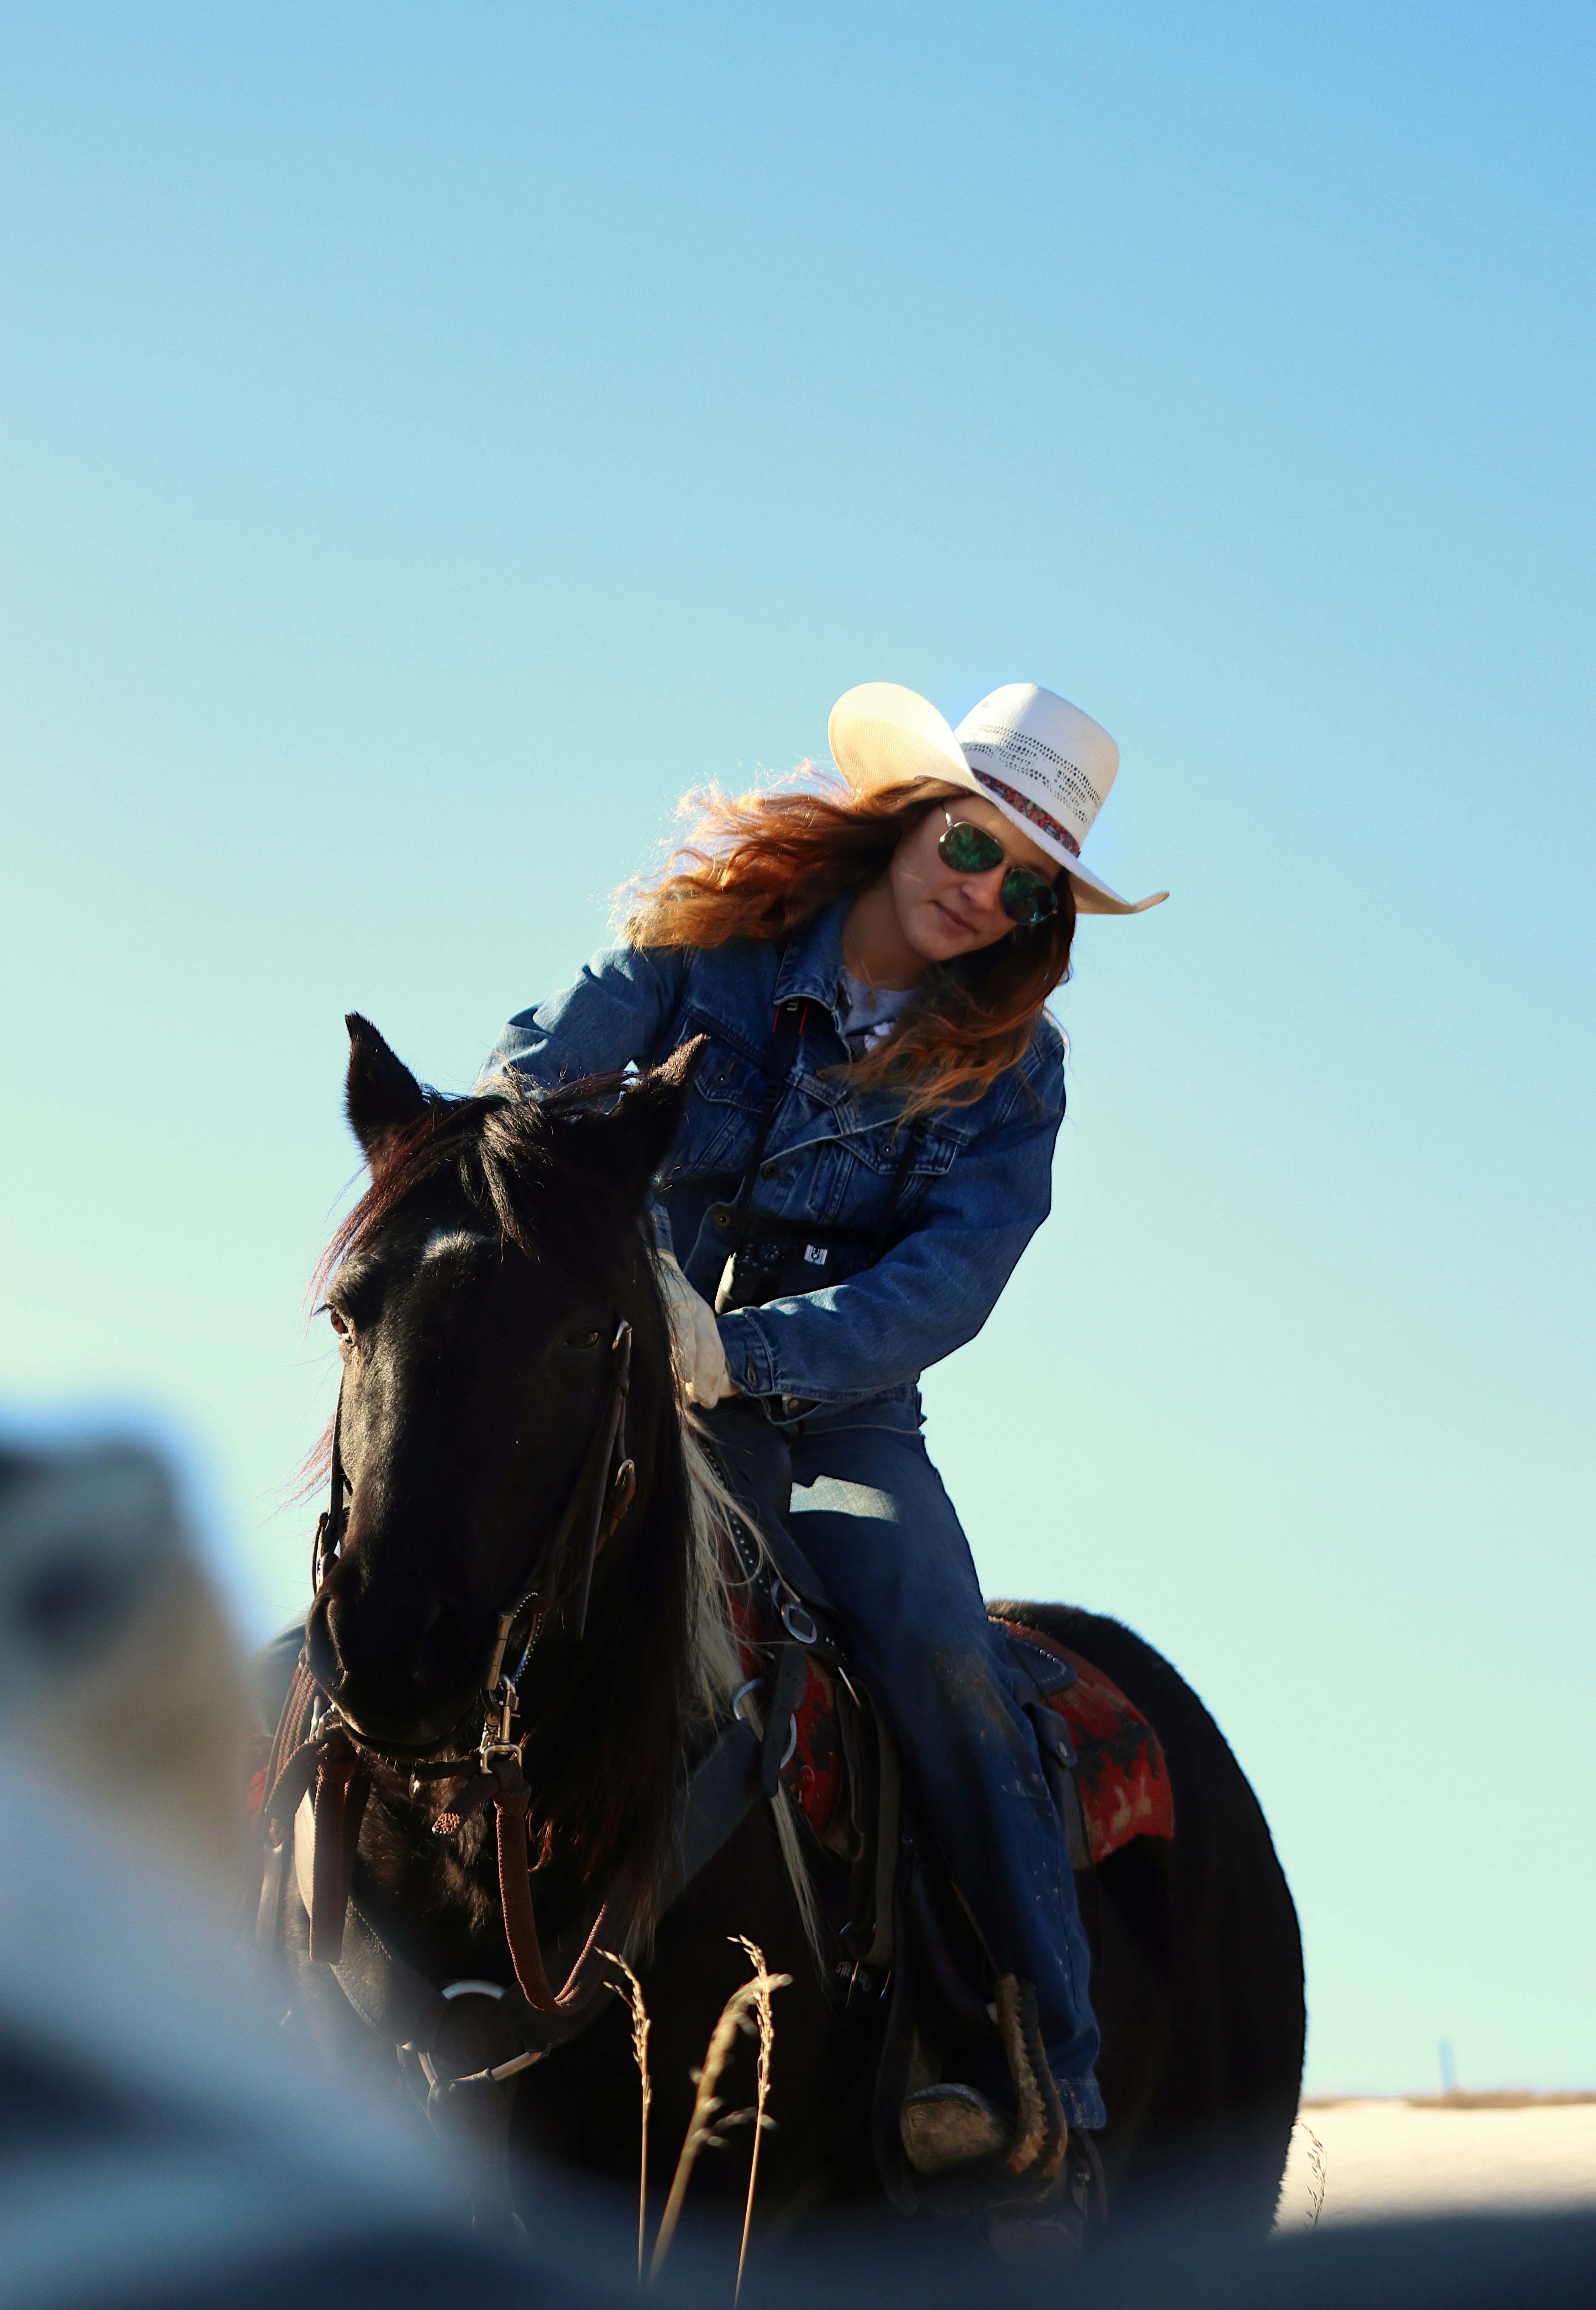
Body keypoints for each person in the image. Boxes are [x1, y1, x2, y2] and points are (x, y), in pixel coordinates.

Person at [483, 679, 1167, 2180]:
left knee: (935, 1638)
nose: (984, 894)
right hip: (624, 1377)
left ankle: (1047, 2079)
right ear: (909, 815)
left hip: (839, 1425)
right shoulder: (701, 946)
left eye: (1028, 884)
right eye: (970, 846)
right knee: (444, 1531)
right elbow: (539, 1080)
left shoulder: (1017, 1078)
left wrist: (737, 1348)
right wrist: (581, 1230)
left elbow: (942, 1284)